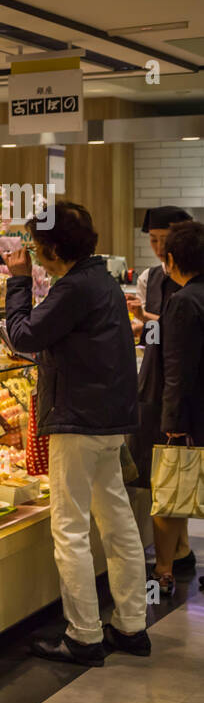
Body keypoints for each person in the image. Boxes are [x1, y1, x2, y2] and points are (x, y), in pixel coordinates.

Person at [4, 200, 148, 666]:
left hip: (78, 422)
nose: (33, 252)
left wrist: (18, 281)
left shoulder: (73, 289)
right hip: (109, 420)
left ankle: (83, 636)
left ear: (50, 249)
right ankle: (131, 626)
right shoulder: (101, 279)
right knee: (118, 520)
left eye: (35, 245)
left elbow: (23, 335)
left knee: (69, 527)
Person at [127, 207, 197, 588]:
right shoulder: (150, 278)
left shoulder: (190, 291)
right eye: (152, 239)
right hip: (155, 384)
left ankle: (166, 567)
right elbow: (154, 343)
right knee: (166, 476)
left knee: (173, 475)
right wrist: (144, 326)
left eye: (164, 240)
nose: (157, 248)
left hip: (179, 391)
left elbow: (180, 348)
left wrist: (153, 322)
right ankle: (179, 552)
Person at [157, 221, 204, 591]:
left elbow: (177, 367)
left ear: (171, 260)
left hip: (194, 414)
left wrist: (172, 421)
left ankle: (163, 573)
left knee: (171, 494)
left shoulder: (183, 301)